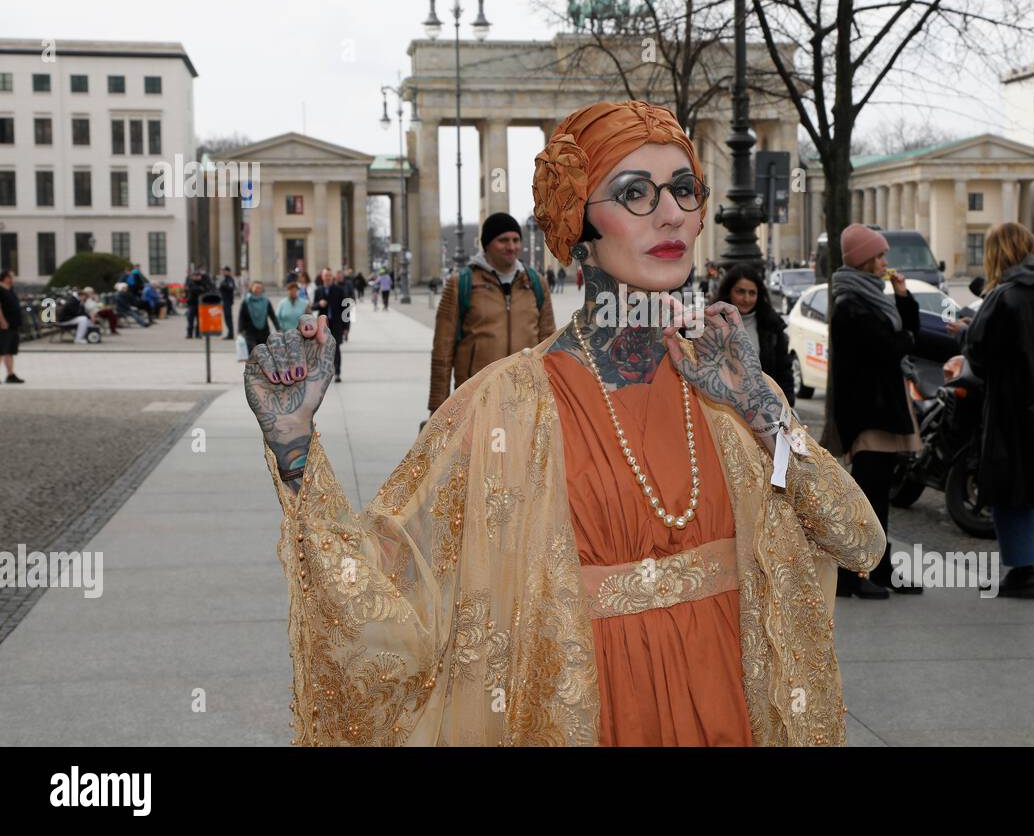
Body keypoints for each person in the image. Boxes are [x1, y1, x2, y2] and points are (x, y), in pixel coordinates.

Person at [244, 99, 886, 746]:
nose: (670, 213)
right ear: (574, 220)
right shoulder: (502, 404)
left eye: (684, 190)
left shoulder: (736, 390)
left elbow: (860, 542)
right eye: (634, 192)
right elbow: (390, 601)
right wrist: (296, 450)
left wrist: (768, 414)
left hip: (731, 713)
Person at [961, 222, 1034, 597]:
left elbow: (981, 352)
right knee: (1028, 487)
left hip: (1010, 406)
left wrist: (965, 330)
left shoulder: (1006, 295)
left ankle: (1021, 569)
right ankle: (1033, 561)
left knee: (1009, 488)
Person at [828, 225, 925, 599]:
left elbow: (905, 335)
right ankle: (856, 574)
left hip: (883, 409)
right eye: (880, 256)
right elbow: (890, 348)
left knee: (878, 495)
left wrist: (903, 297)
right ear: (864, 260)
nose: (886, 263)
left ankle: (880, 570)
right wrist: (905, 340)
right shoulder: (851, 304)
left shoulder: (873, 297)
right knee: (866, 499)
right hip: (869, 413)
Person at [427, 212, 557, 415]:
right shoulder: (459, 285)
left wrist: (552, 399)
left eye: (516, 240)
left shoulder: (535, 283)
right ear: (487, 244)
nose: (511, 246)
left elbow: (549, 346)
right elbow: (442, 351)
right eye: (503, 240)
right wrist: (438, 407)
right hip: (477, 399)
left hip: (524, 398)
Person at [713, 263, 795, 405]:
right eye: (740, 291)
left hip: (765, 410)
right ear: (729, 291)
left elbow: (784, 370)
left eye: (752, 293)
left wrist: (787, 405)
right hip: (722, 408)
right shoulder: (712, 323)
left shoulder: (772, 326)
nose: (746, 299)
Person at [238, 281, 279, 352]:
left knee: (264, 353)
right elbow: (241, 316)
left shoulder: (266, 301)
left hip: (264, 331)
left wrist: (278, 327)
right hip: (250, 331)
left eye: (260, 288)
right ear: (251, 289)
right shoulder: (246, 301)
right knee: (252, 353)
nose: (258, 290)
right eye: (256, 288)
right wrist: (240, 330)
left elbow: (272, 315)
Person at [0, 270, 25, 382]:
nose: (13, 279)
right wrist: (2, 321)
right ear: (5, 278)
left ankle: (10, 374)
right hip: (4, 325)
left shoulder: (10, 290)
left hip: (13, 324)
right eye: (11, 277)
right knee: (1, 350)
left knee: (10, 351)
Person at [184, 267, 208, 339]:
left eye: (198, 276)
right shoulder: (191, 282)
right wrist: (200, 289)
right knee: (190, 319)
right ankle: (189, 334)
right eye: (195, 276)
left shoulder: (203, 282)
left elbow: (205, 290)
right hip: (192, 303)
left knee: (199, 320)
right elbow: (195, 290)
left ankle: (198, 334)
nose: (197, 277)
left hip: (200, 304)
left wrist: (200, 289)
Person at [219, 266, 237, 339]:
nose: (223, 272)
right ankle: (230, 334)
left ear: (228, 272)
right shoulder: (225, 279)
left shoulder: (229, 279)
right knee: (227, 318)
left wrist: (224, 285)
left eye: (224, 271)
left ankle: (231, 334)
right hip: (224, 301)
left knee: (228, 318)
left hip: (227, 301)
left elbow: (231, 288)